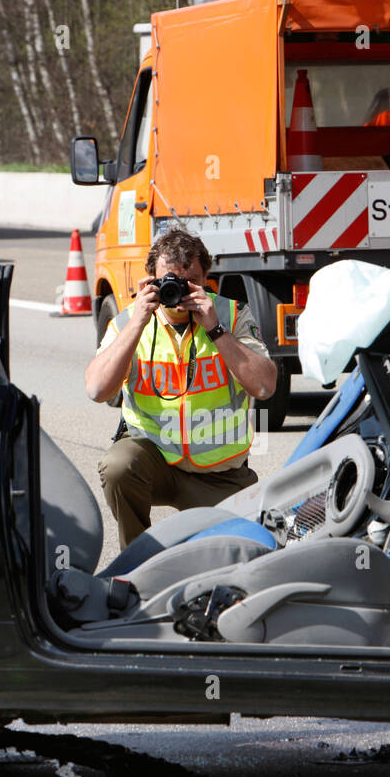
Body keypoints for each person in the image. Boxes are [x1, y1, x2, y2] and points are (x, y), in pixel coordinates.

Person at [85, 229, 278, 547]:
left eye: (190, 283)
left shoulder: (230, 314)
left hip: (220, 473)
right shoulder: (128, 322)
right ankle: (136, 562)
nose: (178, 293)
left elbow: (265, 387)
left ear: (206, 278)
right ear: (151, 280)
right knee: (118, 465)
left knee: (237, 556)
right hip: (155, 463)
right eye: (169, 282)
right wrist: (138, 323)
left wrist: (214, 328)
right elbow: (96, 390)